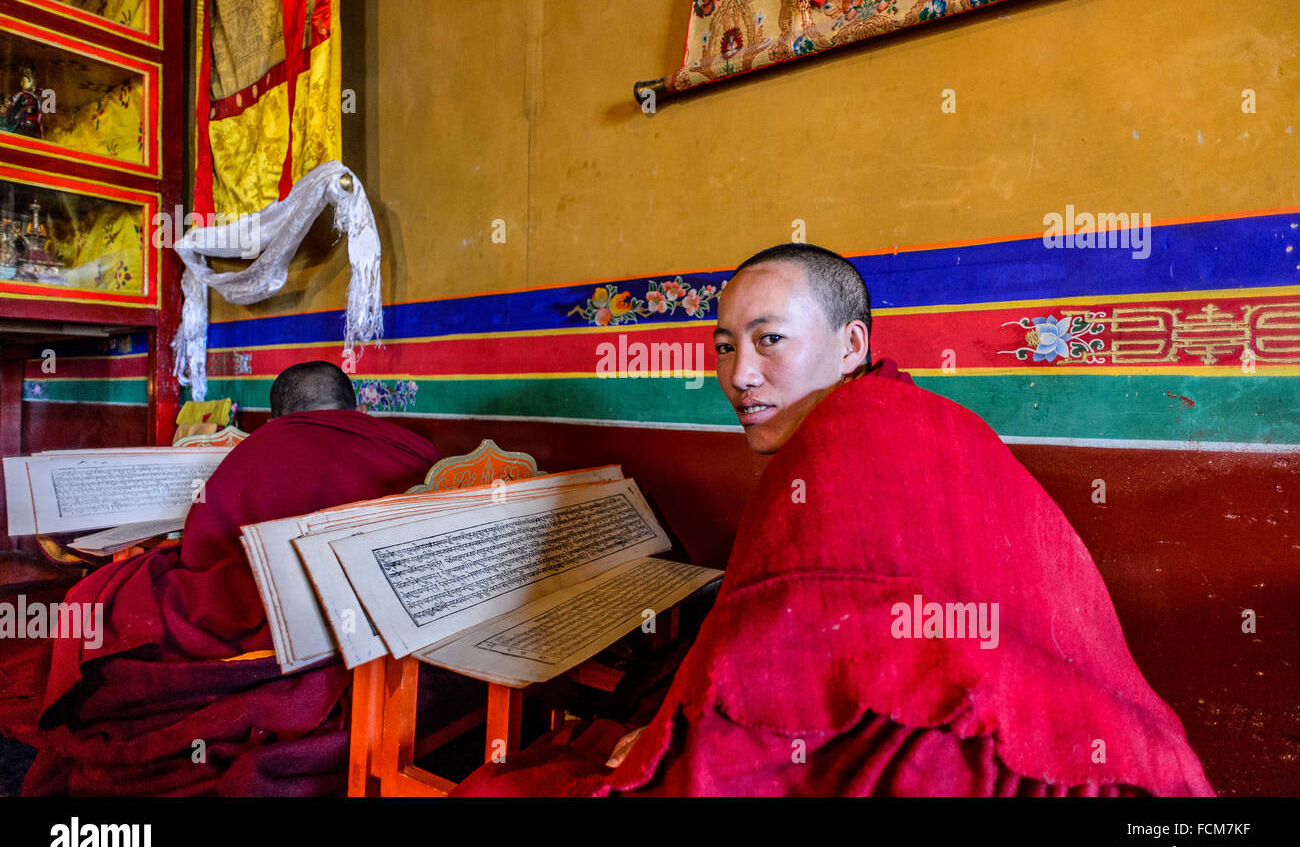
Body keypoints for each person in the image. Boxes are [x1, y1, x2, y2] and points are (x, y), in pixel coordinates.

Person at [454, 245, 1214, 796]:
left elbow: (795, 640)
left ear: (852, 344)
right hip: (1107, 743)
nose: (739, 374)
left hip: (971, 745)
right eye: (725, 346)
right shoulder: (915, 414)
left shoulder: (852, 436)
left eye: (769, 340)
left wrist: (668, 737)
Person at [23, 361, 441, 796]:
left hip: (283, 613)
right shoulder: (410, 446)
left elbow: (205, 549)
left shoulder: (264, 445)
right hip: (398, 607)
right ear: (353, 406)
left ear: (277, 413)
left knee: (106, 596)